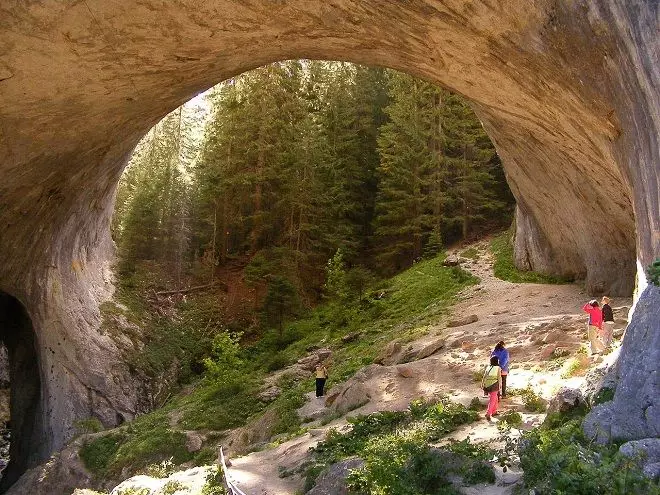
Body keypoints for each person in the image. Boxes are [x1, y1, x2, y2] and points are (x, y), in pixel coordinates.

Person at [481, 355, 501, 421]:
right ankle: (488, 413)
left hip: (487, 385)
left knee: (495, 399)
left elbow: (484, 376)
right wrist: (500, 386)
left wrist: (482, 384)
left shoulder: (488, 367)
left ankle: (494, 411)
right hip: (494, 385)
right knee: (492, 400)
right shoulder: (498, 368)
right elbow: (499, 378)